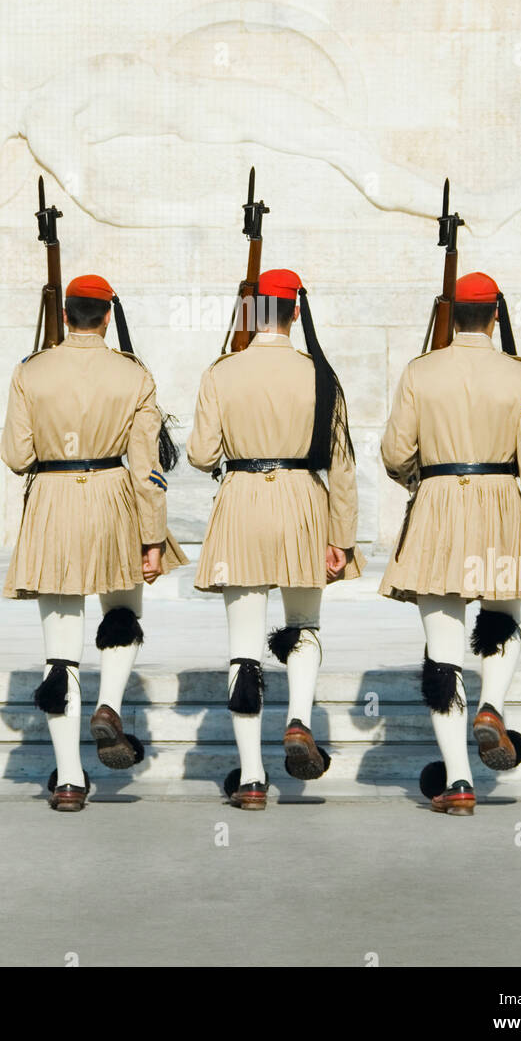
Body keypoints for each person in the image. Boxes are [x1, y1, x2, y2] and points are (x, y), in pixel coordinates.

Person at [1, 274, 186, 812]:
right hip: (112, 494)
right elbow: (147, 467)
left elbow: (16, 457)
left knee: (60, 651)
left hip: (54, 500)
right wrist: (152, 537)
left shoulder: (30, 371)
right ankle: (108, 705)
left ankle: (69, 781)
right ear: (107, 316)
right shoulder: (132, 374)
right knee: (123, 611)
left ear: (65, 316)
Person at [380, 272, 521, 816]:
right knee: (502, 616)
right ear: (497, 317)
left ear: (450, 317)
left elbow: (393, 452)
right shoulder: (519, 375)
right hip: (502, 501)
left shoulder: (421, 370)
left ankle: (457, 782)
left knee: (442, 652)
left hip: (437, 502)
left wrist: (424, 478)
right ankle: (492, 706)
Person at [188, 269, 363, 810]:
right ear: (294, 313)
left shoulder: (223, 371)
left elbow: (199, 455)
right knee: (303, 624)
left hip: (241, 499)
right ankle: (298, 720)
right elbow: (343, 466)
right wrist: (343, 535)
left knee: (244, 648)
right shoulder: (321, 376)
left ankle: (253, 778)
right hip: (303, 502)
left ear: (252, 313)